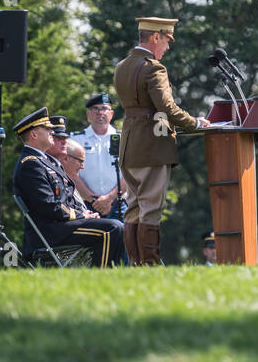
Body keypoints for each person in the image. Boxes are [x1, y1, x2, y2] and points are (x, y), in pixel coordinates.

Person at [113, 16, 210, 265]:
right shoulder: (153, 67)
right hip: (152, 148)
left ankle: (137, 263)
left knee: (134, 207)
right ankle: (151, 264)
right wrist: (196, 123)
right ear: (155, 37)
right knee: (151, 209)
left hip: (129, 147)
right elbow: (167, 107)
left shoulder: (122, 66)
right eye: (166, 40)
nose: (167, 47)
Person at [11, 107, 124, 268]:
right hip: (50, 231)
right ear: (34, 134)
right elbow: (48, 206)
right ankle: (101, 278)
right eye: (47, 129)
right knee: (112, 228)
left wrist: (86, 214)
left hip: (61, 227)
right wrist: (80, 215)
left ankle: (104, 276)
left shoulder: (44, 162)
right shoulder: (30, 164)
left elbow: (64, 199)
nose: (52, 132)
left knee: (115, 226)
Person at [73, 93, 125, 219]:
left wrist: (109, 198)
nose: (100, 112)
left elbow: (131, 173)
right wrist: (92, 199)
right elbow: (70, 173)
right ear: (88, 114)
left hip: (118, 203)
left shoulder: (123, 138)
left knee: (122, 238)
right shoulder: (76, 139)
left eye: (104, 109)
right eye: (95, 109)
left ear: (111, 113)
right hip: (86, 205)